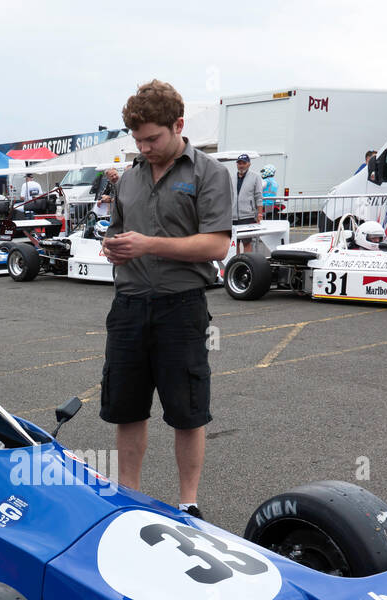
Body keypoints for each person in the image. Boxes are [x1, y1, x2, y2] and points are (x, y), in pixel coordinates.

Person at [99, 79, 231, 519]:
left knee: (187, 411)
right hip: (130, 305)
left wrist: (147, 244)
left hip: (182, 305)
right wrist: (112, 244)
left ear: (178, 125)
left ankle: (188, 503)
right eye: (138, 139)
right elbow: (119, 232)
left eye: (152, 138)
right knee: (127, 408)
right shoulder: (130, 179)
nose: (145, 147)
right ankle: (128, 499)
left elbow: (216, 246)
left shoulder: (210, 173)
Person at [232, 154, 263, 226]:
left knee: (246, 237)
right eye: (239, 163)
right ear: (237, 165)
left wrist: (260, 214)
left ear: (249, 164)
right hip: (233, 217)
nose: (241, 165)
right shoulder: (232, 177)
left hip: (248, 216)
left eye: (244, 163)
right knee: (234, 237)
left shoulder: (255, 177)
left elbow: (259, 197)